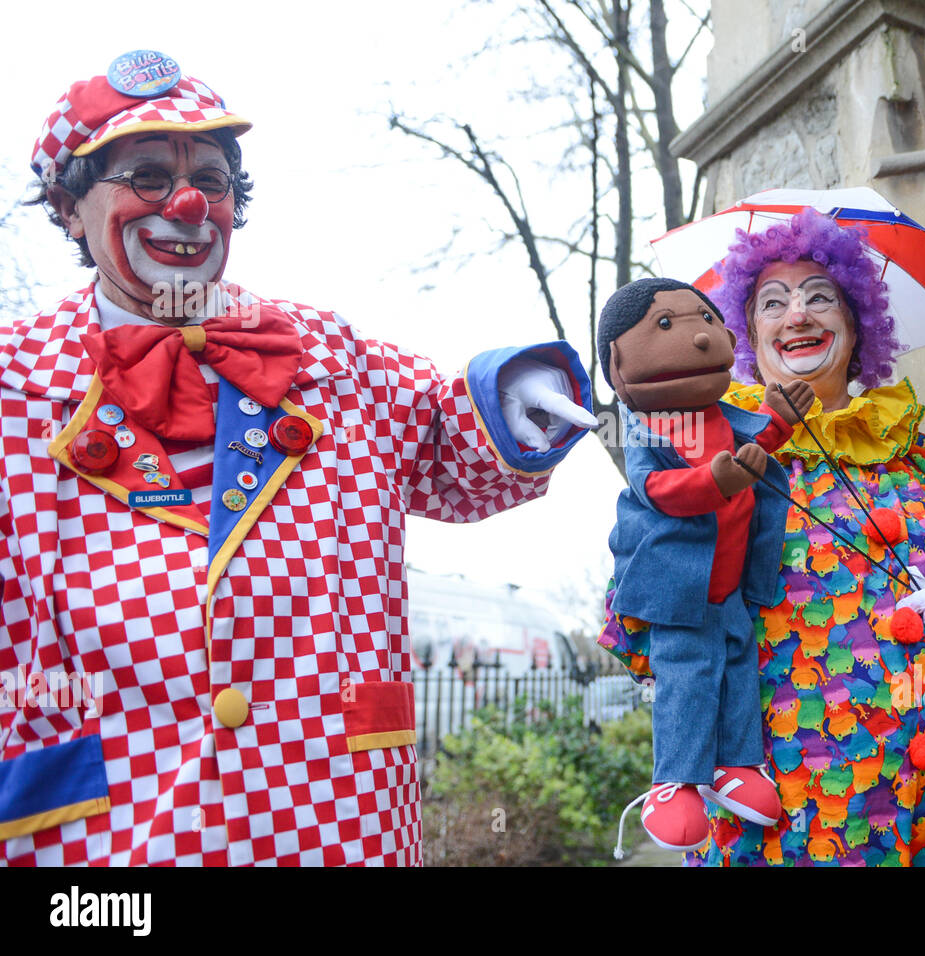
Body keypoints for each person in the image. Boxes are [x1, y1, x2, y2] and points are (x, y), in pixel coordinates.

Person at [0, 51, 596, 866]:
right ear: (69, 207)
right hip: (113, 845)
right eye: (148, 176)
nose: (187, 204)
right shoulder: (12, 381)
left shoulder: (323, 353)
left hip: (334, 821)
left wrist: (515, 391)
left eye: (210, 181)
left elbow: (453, 450)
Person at [599, 208, 925, 866]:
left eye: (820, 296)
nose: (798, 316)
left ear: (857, 321)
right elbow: (638, 629)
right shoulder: (707, 452)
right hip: (793, 829)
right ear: (744, 334)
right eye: (772, 302)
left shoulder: (911, 452)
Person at [596, 277, 813, 854]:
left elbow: (757, 443)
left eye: (705, 319)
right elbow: (655, 489)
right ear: (618, 363)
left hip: (733, 588)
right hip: (681, 592)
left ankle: (736, 765)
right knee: (687, 680)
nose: (698, 337)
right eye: (666, 325)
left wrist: (778, 420)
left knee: (738, 669)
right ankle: (676, 779)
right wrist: (715, 482)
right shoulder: (646, 427)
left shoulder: (721, 413)